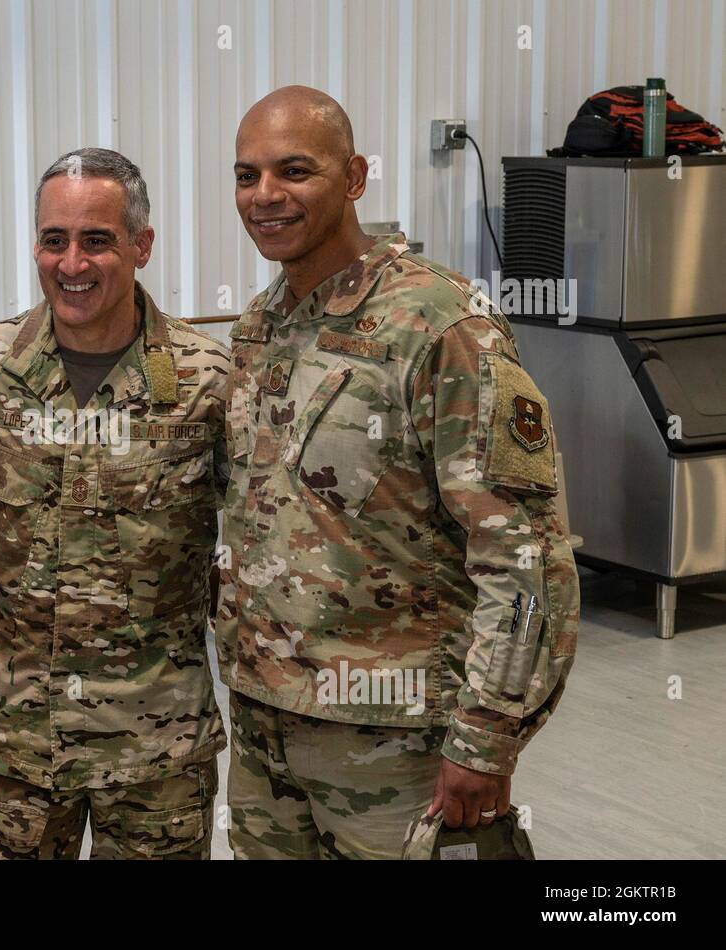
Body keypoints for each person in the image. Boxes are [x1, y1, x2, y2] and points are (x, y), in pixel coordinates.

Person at [218, 86, 580, 859]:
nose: (265, 195)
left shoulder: (441, 327)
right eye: (246, 176)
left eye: (294, 170)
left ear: (355, 178)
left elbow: (527, 558)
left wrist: (486, 737)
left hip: (398, 741)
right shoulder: (263, 323)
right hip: (264, 730)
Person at [0, 148, 229, 859]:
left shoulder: (208, 382)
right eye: (54, 240)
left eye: (97, 241)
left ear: (141, 245)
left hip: (158, 753)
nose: (72, 263)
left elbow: (277, 529)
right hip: (13, 748)